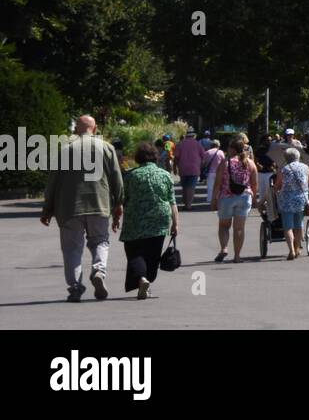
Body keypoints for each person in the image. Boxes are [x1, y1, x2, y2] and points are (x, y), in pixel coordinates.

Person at [40, 115, 124, 302]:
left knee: (72, 249)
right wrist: (119, 203)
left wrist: (47, 209)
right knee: (100, 241)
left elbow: (53, 182)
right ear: (94, 129)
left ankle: (75, 288)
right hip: (100, 205)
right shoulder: (107, 148)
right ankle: (99, 272)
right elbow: (116, 179)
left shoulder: (65, 150)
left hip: (70, 209)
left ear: (76, 130)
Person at [118, 141, 179, 299]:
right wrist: (176, 224)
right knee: (152, 255)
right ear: (155, 157)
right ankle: (146, 281)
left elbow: (123, 199)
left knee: (134, 252)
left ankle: (141, 279)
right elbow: (172, 202)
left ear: (138, 158)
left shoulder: (131, 175)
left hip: (135, 220)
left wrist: (116, 216)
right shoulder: (165, 175)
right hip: (160, 219)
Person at [213, 139, 258, 262]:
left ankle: (224, 248)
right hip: (244, 197)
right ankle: (237, 256)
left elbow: (217, 184)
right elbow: (254, 184)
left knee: (224, 226)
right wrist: (253, 199)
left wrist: (214, 200)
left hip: (226, 197)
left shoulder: (225, 163)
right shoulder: (250, 163)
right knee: (239, 228)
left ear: (232, 149)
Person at [274, 147, 309, 259]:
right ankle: (297, 248)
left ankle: (291, 250)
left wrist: (278, 190)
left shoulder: (284, 169)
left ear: (286, 158)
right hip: (301, 199)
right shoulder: (305, 167)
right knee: (299, 224)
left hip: (287, 200)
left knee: (288, 227)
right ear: (298, 156)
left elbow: (277, 185)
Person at [175, 130, 205, 210]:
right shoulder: (198, 144)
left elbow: (176, 157)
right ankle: (188, 205)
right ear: (194, 136)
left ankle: (185, 203)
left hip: (183, 168)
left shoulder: (180, 144)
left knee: (184, 186)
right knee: (191, 187)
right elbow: (203, 156)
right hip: (194, 168)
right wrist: (201, 166)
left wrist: (175, 167)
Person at [202, 141, 225, 211]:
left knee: (210, 187)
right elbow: (224, 162)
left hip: (210, 172)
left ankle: (210, 201)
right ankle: (218, 201)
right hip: (219, 172)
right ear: (218, 145)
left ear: (211, 145)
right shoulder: (221, 152)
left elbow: (204, 163)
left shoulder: (207, 152)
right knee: (219, 187)